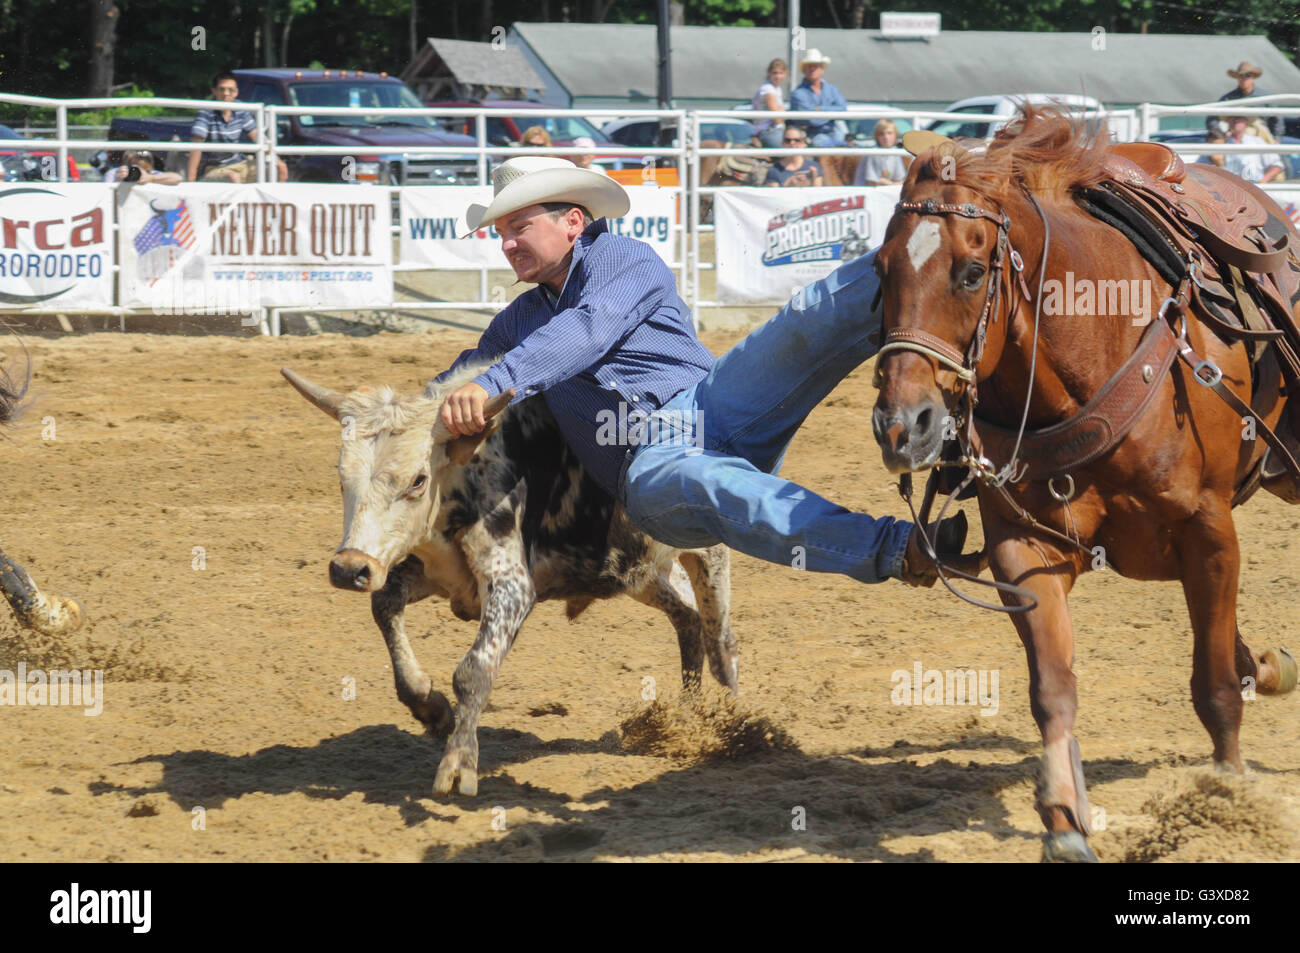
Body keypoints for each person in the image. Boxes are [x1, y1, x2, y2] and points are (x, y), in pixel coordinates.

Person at [430, 157, 980, 588]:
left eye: (517, 227)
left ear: (573, 222)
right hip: (647, 466)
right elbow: (452, 384)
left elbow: (588, 329)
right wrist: (430, 405)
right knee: (712, 484)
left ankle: (947, 222)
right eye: (500, 232)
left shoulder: (624, 259)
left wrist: (495, 382)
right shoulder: (517, 323)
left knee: (811, 310)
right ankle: (903, 549)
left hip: (708, 403)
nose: (505, 245)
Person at [186, 71, 288, 183]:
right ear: (214, 91)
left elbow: (256, 136)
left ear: (236, 92)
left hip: (239, 163)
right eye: (222, 89)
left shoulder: (240, 108)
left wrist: (278, 162)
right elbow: (196, 145)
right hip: (213, 168)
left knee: (279, 169)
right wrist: (191, 181)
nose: (226, 93)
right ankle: (240, 201)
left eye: (230, 90)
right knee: (233, 177)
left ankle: (271, 200)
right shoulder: (206, 111)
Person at [1207, 60, 1283, 139]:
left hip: (1260, 136)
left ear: (1253, 77)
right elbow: (1212, 118)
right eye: (1240, 76)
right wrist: (1220, 133)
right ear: (1237, 78)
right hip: (1232, 135)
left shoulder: (1265, 97)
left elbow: (1277, 120)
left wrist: (1276, 139)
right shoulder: (1228, 98)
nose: (1244, 79)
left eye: (1247, 75)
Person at [789, 49, 846, 147]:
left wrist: (819, 109)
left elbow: (843, 109)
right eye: (809, 66)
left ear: (822, 69)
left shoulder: (831, 89)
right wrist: (831, 115)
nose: (812, 69)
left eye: (815, 66)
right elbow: (812, 120)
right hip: (813, 135)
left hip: (836, 132)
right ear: (803, 69)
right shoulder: (798, 93)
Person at [1223, 115, 1283, 183]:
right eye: (1232, 118)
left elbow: (1277, 165)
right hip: (1227, 189)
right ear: (1228, 121)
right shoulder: (1223, 143)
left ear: (1246, 122)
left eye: (1240, 118)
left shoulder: (1257, 142)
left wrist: (1262, 182)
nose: (1236, 121)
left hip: (1253, 186)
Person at [852, 119, 908, 187]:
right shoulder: (872, 153)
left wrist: (890, 184)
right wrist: (892, 184)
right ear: (877, 136)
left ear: (896, 135)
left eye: (889, 133)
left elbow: (900, 180)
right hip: (866, 192)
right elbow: (871, 183)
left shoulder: (895, 152)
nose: (886, 137)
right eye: (882, 134)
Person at [751, 58, 788, 150]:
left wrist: (781, 110)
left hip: (775, 130)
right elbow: (777, 119)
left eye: (781, 73)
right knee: (787, 153)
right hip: (767, 131)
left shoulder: (777, 89)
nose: (778, 76)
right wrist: (783, 109)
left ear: (785, 74)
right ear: (769, 73)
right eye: (775, 73)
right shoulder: (768, 89)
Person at [103, 150, 182, 186]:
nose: (136, 171)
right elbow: (106, 195)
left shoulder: (153, 174)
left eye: (141, 167)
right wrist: (118, 181)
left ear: (148, 167)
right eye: (132, 165)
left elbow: (178, 178)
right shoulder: (114, 173)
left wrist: (151, 178)